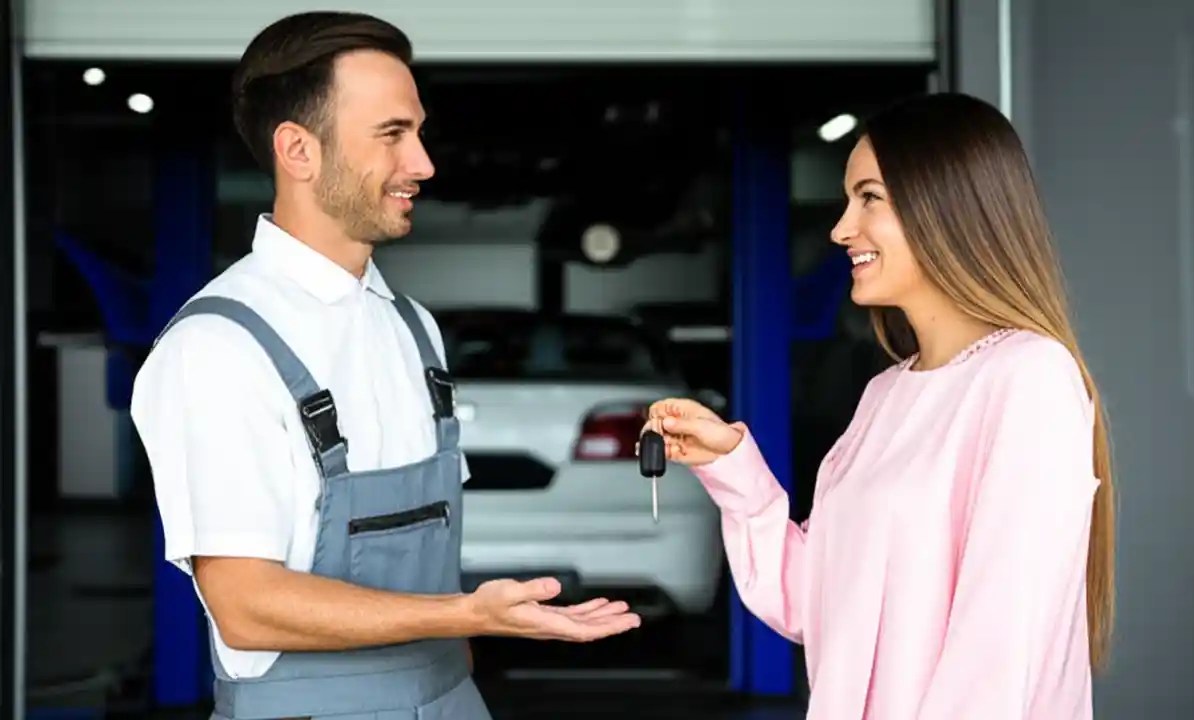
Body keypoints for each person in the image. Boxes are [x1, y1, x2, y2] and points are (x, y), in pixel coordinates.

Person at [130, 11, 640, 720]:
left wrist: (462, 641)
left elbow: (434, 543)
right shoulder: (217, 348)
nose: (423, 163)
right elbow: (246, 606)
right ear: (298, 151)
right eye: (392, 135)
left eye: (419, 132)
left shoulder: (412, 327)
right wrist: (467, 613)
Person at [644, 92, 1115, 719]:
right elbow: (811, 602)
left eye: (869, 197)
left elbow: (998, 648)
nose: (841, 228)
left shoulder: (1029, 378)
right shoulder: (886, 393)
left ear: (949, 206)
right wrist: (733, 465)